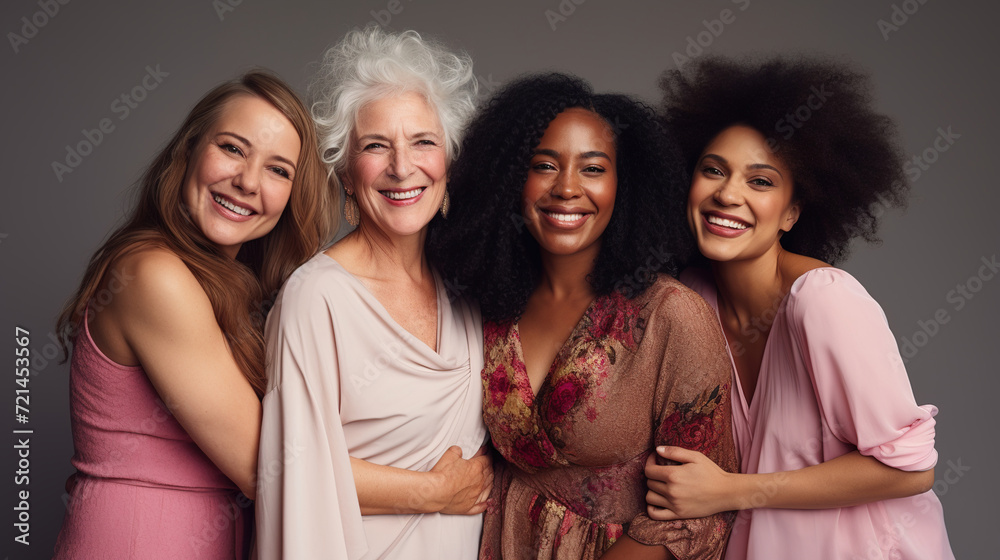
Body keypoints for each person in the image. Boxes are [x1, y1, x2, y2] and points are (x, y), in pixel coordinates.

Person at [644, 56, 955, 560]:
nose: (728, 194)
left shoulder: (822, 300)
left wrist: (729, 490)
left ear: (792, 211)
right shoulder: (690, 298)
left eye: (760, 181)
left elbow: (912, 470)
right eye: (713, 171)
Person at [428, 73, 737, 560]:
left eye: (592, 169)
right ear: (512, 179)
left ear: (625, 184)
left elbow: (696, 514)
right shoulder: (489, 307)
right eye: (544, 165)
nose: (566, 187)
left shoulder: (671, 316)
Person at [52, 71, 332, 559]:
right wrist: (430, 490)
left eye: (278, 170)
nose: (247, 182)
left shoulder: (234, 294)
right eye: (232, 148)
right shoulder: (152, 276)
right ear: (189, 150)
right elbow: (266, 466)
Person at [255, 26, 490, 560]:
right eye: (376, 146)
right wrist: (434, 493)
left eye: (423, 142)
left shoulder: (468, 288)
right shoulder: (315, 298)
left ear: (449, 164)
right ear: (345, 173)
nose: (403, 167)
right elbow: (292, 468)